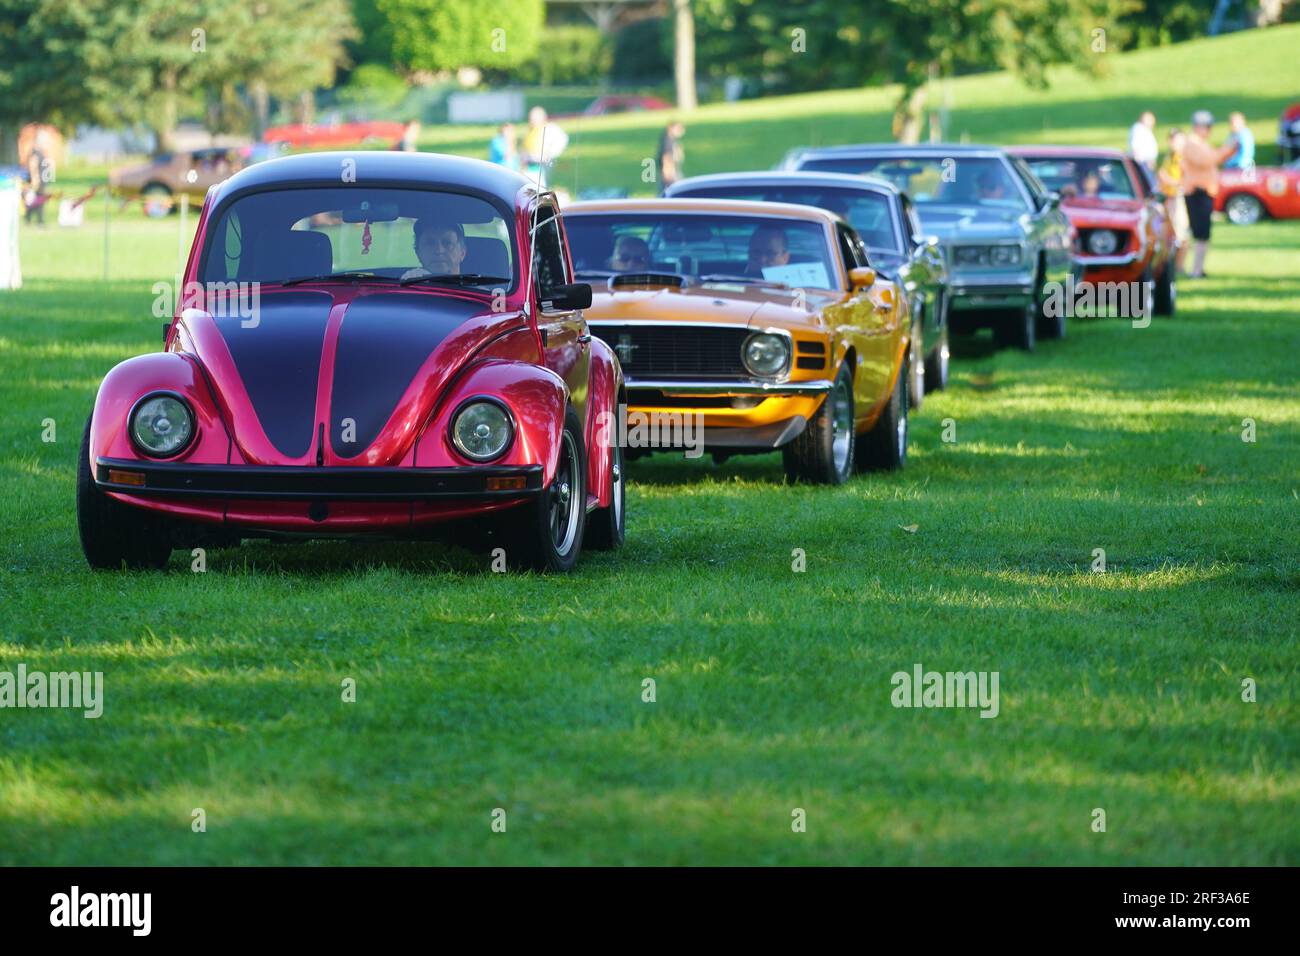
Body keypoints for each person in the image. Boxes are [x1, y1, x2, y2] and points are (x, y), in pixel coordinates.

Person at [1181, 110, 1237, 279]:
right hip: (1197, 192)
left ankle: (1199, 268)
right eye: (1207, 127)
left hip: (1205, 192)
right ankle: (1195, 270)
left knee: (1204, 234)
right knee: (1199, 233)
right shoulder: (1192, 144)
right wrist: (1227, 148)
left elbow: (1214, 158)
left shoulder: (1202, 143)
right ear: (1199, 127)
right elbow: (1207, 160)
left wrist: (1228, 151)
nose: (1209, 130)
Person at [1157, 128, 1191, 277]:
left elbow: (1186, 179)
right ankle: (1169, 267)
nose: (1172, 143)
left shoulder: (1184, 157)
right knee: (1169, 234)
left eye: (1176, 140)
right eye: (1171, 139)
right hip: (1169, 197)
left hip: (1179, 197)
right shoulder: (1170, 156)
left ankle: (1179, 267)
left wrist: (1169, 181)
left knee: (1181, 233)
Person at [402, 217, 466, 280]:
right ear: (418, 253)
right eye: (430, 243)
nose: (439, 251)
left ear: (462, 253)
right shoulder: (407, 284)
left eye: (448, 243)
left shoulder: (474, 288)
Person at [522, 107, 568, 188]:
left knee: (541, 187)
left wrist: (549, 154)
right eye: (530, 118)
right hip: (530, 165)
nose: (531, 120)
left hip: (542, 164)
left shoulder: (550, 129)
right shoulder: (531, 130)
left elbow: (562, 140)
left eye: (533, 118)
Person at [656, 121, 686, 192]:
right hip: (671, 172)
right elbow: (666, 157)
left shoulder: (671, 140)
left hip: (672, 170)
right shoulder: (668, 140)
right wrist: (667, 172)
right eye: (678, 128)